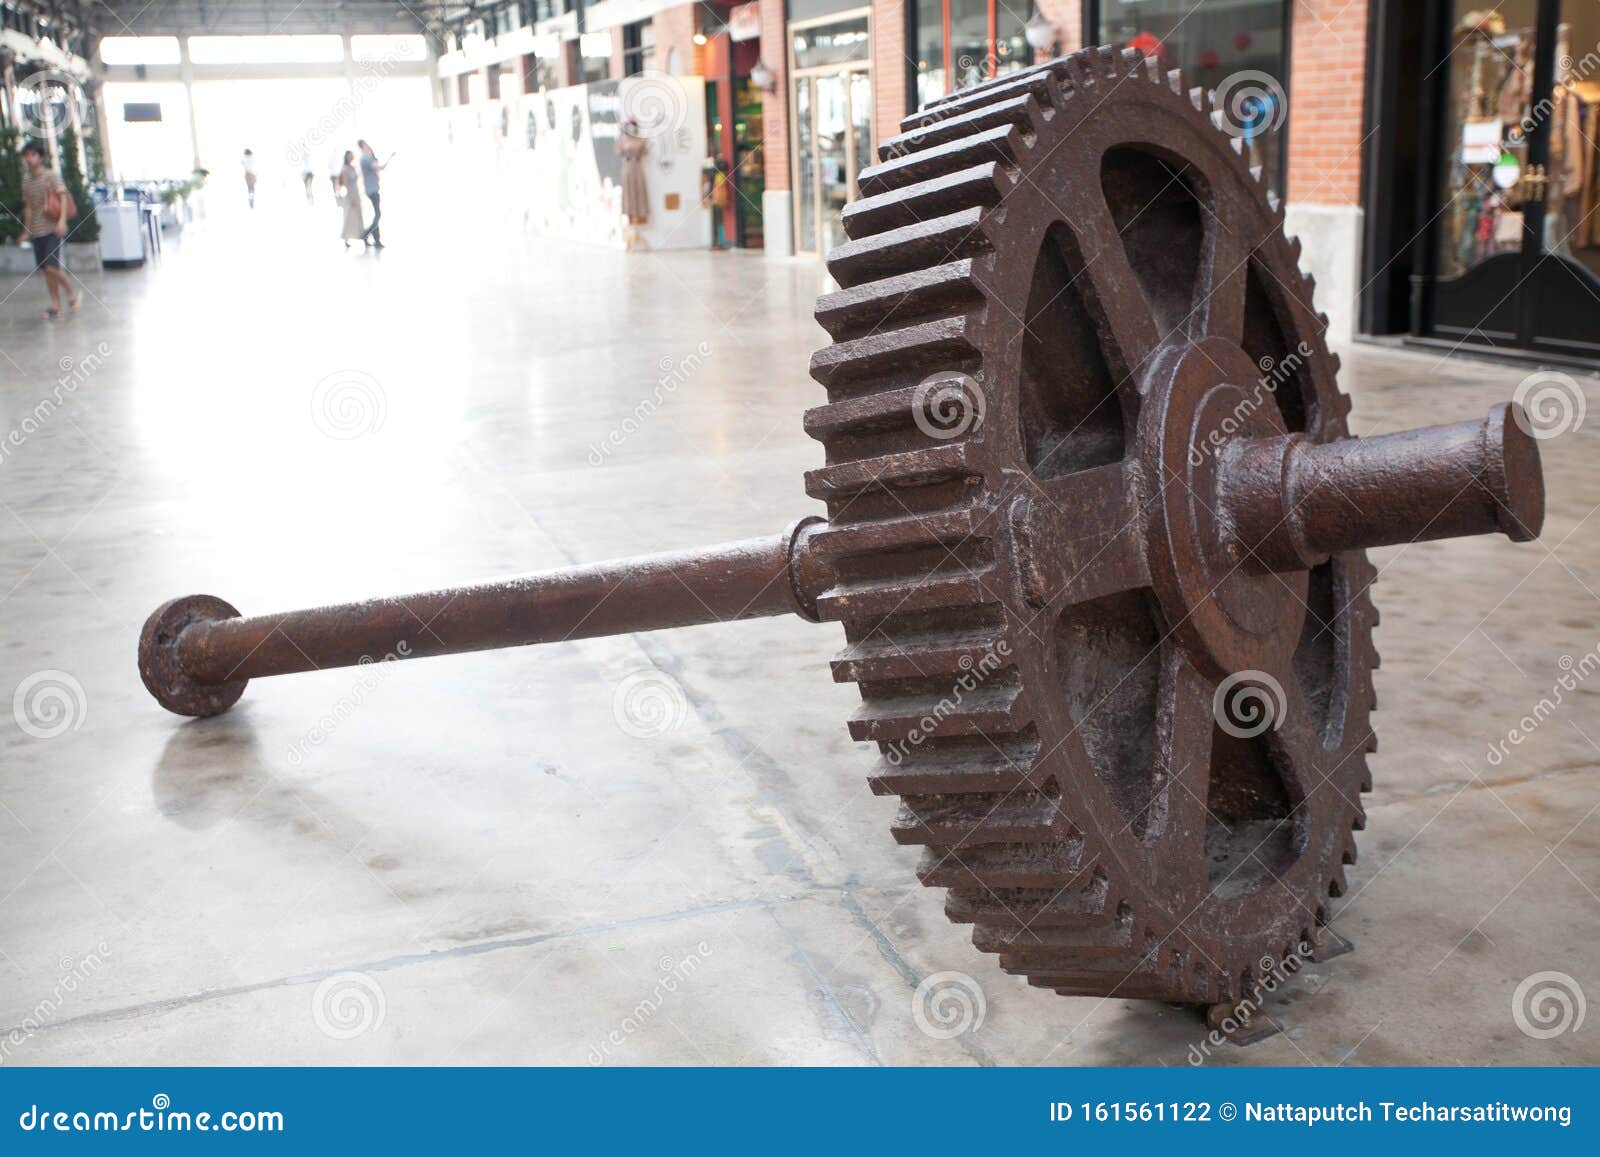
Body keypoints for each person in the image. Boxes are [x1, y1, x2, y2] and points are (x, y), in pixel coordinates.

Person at [19, 141, 80, 320]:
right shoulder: (26, 182)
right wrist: (26, 230)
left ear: (41, 157)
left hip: (52, 228)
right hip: (36, 231)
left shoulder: (51, 176)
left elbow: (63, 198)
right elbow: (28, 208)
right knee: (46, 270)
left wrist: (61, 221)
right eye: (27, 155)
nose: (29, 159)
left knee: (51, 267)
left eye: (32, 155)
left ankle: (70, 293)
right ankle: (56, 306)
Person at [356, 139, 388, 249]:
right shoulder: (365, 158)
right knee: (378, 214)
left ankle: (376, 239)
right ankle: (365, 234)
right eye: (365, 145)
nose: (368, 146)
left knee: (377, 214)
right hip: (372, 190)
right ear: (362, 146)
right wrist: (387, 161)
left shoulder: (367, 157)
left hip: (373, 188)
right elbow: (377, 167)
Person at [338, 150, 364, 249]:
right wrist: (350, 198)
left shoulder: (353, 167)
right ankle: (346, 238)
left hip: (356, 193)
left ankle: (361, 235)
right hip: (350, 195)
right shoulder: (344, 169)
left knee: (358, 216)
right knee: (348, 217)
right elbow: (345, 185)